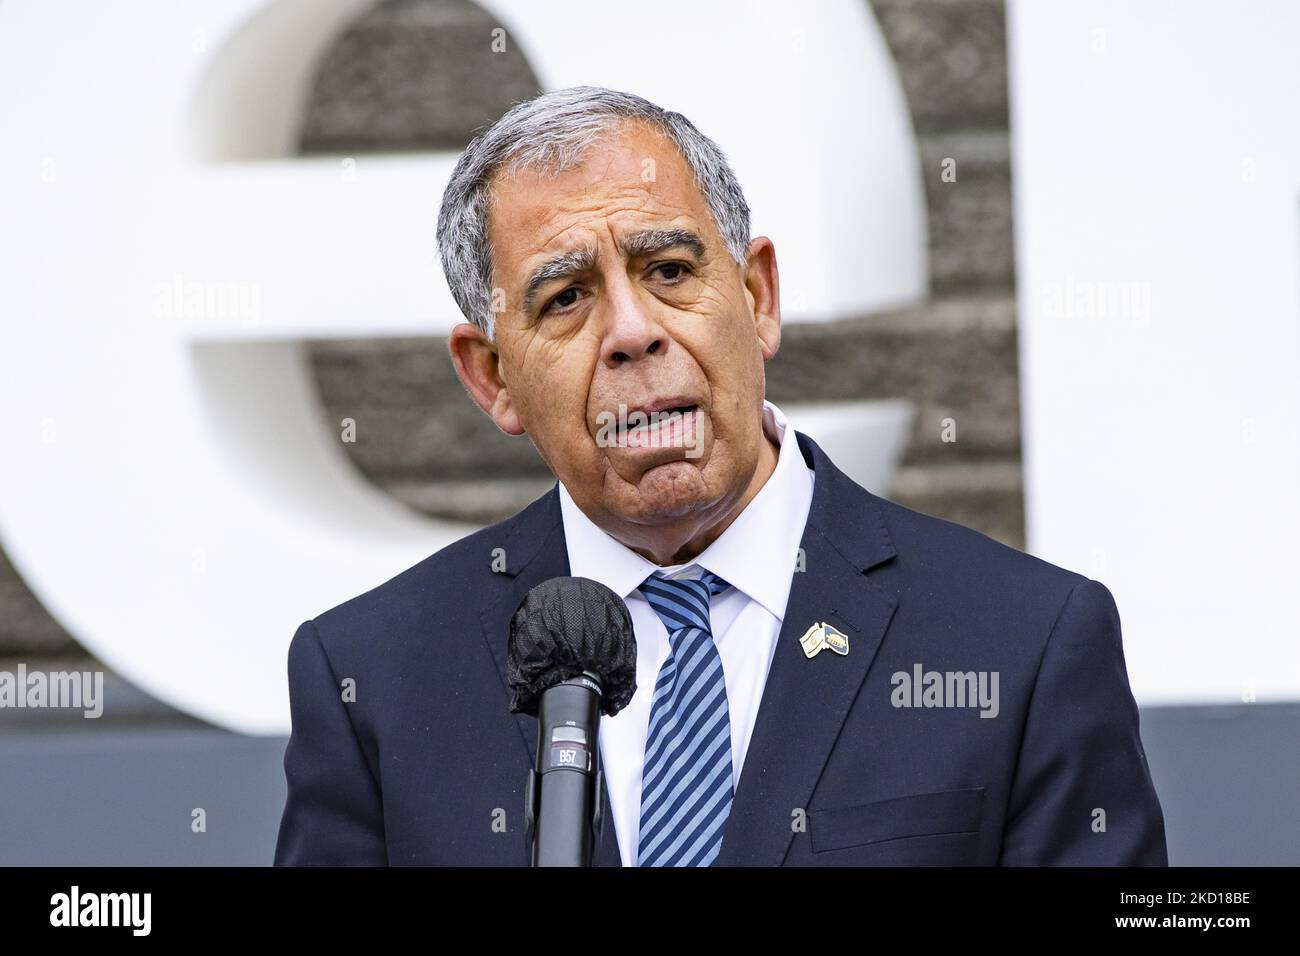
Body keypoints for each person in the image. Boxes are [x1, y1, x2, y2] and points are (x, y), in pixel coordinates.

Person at [274, 86, 1167, 866]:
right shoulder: (373, 682)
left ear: (758, 298)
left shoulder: (1023, 644)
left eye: (669, 270)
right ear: (494, 377)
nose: (633, 332)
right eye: (566, 299)